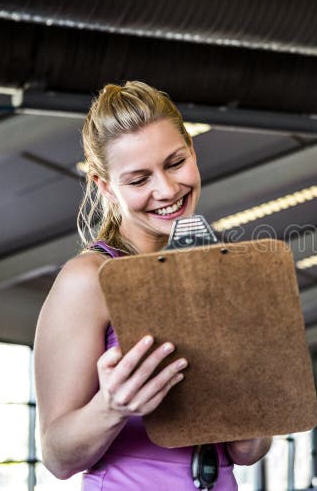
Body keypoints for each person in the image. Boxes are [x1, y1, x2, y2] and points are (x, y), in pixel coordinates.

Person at [34, 81, 271, 489]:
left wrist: (253, 389)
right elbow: (57, 458)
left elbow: (246, 452)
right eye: (139, 179)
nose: (166, 190)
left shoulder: (219, 271)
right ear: (106, 187)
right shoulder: (89, 280)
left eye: (175, 163)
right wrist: (112, 406)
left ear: (193, 152)